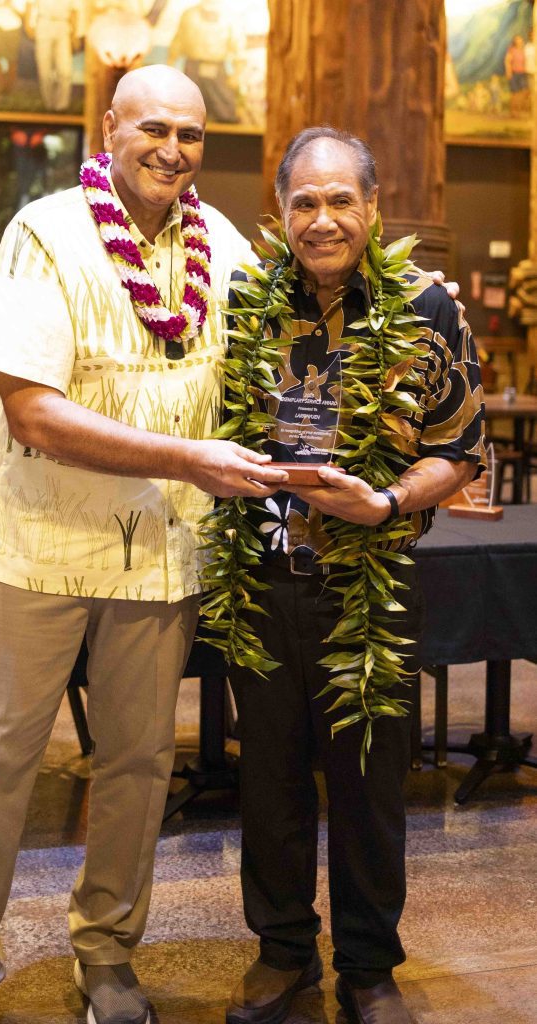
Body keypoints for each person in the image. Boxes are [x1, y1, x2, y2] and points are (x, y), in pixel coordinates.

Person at [0, 64, 288, 1024]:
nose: (174, 148)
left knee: (138, 766)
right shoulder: (45, 231)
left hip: (162, 549)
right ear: (110, 127)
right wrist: (191, 457)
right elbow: (35, 415)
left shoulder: (229, 248)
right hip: (36, 544)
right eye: (154, 127)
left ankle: (110, 956)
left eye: (195, 135)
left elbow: (272, 373)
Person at [224, 126, 486, 1024]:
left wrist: (384, 503)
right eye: (305, 201)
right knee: (270, 777)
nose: (323, 218)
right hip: (263, 576)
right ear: (282, 210)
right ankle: (282, 953)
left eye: (342, 200)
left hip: (372, 583)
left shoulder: (425, 307)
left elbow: (463, 449)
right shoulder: (246, 304)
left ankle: (369, 966)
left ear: (373, 208)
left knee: (370, 783)